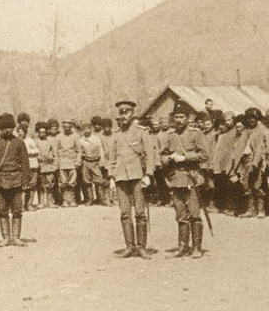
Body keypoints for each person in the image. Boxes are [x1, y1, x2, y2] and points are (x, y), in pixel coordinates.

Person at [106, 101, 157, 258]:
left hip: (138, 177)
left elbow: (150, 155)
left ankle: (141, 247)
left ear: (133, 113)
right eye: (121, 112)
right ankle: (129, 246)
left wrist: (148, 175)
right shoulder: (115, 135)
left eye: (127, 112)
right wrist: (111, 178)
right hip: (120, 177)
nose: (123, 115)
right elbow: (112, 158)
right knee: (124, 213)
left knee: (140, 212)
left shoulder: (142, 132)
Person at [160, 103, 209, 258]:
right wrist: (167, 159)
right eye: (176, 117)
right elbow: (162, 155)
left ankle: (196, 247)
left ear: (188, 118)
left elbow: (204, 155)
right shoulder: (170, 136)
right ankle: (183, 246)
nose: (179, 120)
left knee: (194, 214)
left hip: (191, 178)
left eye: (182, 117)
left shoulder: (196, 134)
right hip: (175, 179)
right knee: (180, 214)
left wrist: (185, 157)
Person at [0, 113, 31, 247]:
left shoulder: (19, 142)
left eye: (9, 127)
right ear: (0, 129)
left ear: (13, 128)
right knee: (2, 209)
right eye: (4, 128)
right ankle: (6, 237)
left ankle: (16, 237)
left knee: (17, 209)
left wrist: (25, 180)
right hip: (0, 180)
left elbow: (25, 162)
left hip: (16, 179)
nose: (7, 130)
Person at [78, 121, 106, 206]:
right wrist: (79, 162)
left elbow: (101, 149)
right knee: (86, 181)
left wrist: (102, 160)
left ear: (91, 129)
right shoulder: (81, 140)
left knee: (99, 180)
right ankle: (89, 200)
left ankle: (101, 199)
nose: (86, 131)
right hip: (86, 161)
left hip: (96, 162)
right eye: (84, 130)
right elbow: (79, 152)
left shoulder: (96, 138)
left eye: (88, 129)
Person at [55, 119, 81, 207]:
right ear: (63, 127)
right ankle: (65, 201)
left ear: (71, 127)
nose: (67, 129)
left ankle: (72, 200)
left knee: (72, 182)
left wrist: (78, 161)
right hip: (62, 163)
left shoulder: (75, 136)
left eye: (69, 127)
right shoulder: (58, 137)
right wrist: (57, 163)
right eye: (65, 127)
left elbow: (79, 151)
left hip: (72, 163)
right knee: (63, 182)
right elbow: (56, 151)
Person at [34, 122, 57, 209]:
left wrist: (51, 158)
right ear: (38, 133)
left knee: (50, 184)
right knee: (40, 185)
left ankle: (50, 202)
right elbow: (35, 153)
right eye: (40, 132)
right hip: (40, 166)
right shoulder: (36, 142)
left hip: (49, 166)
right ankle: (41, 202)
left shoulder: (49, 142)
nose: (42, 134)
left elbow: (53, 153)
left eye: (44, 132)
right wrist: (39, 157)